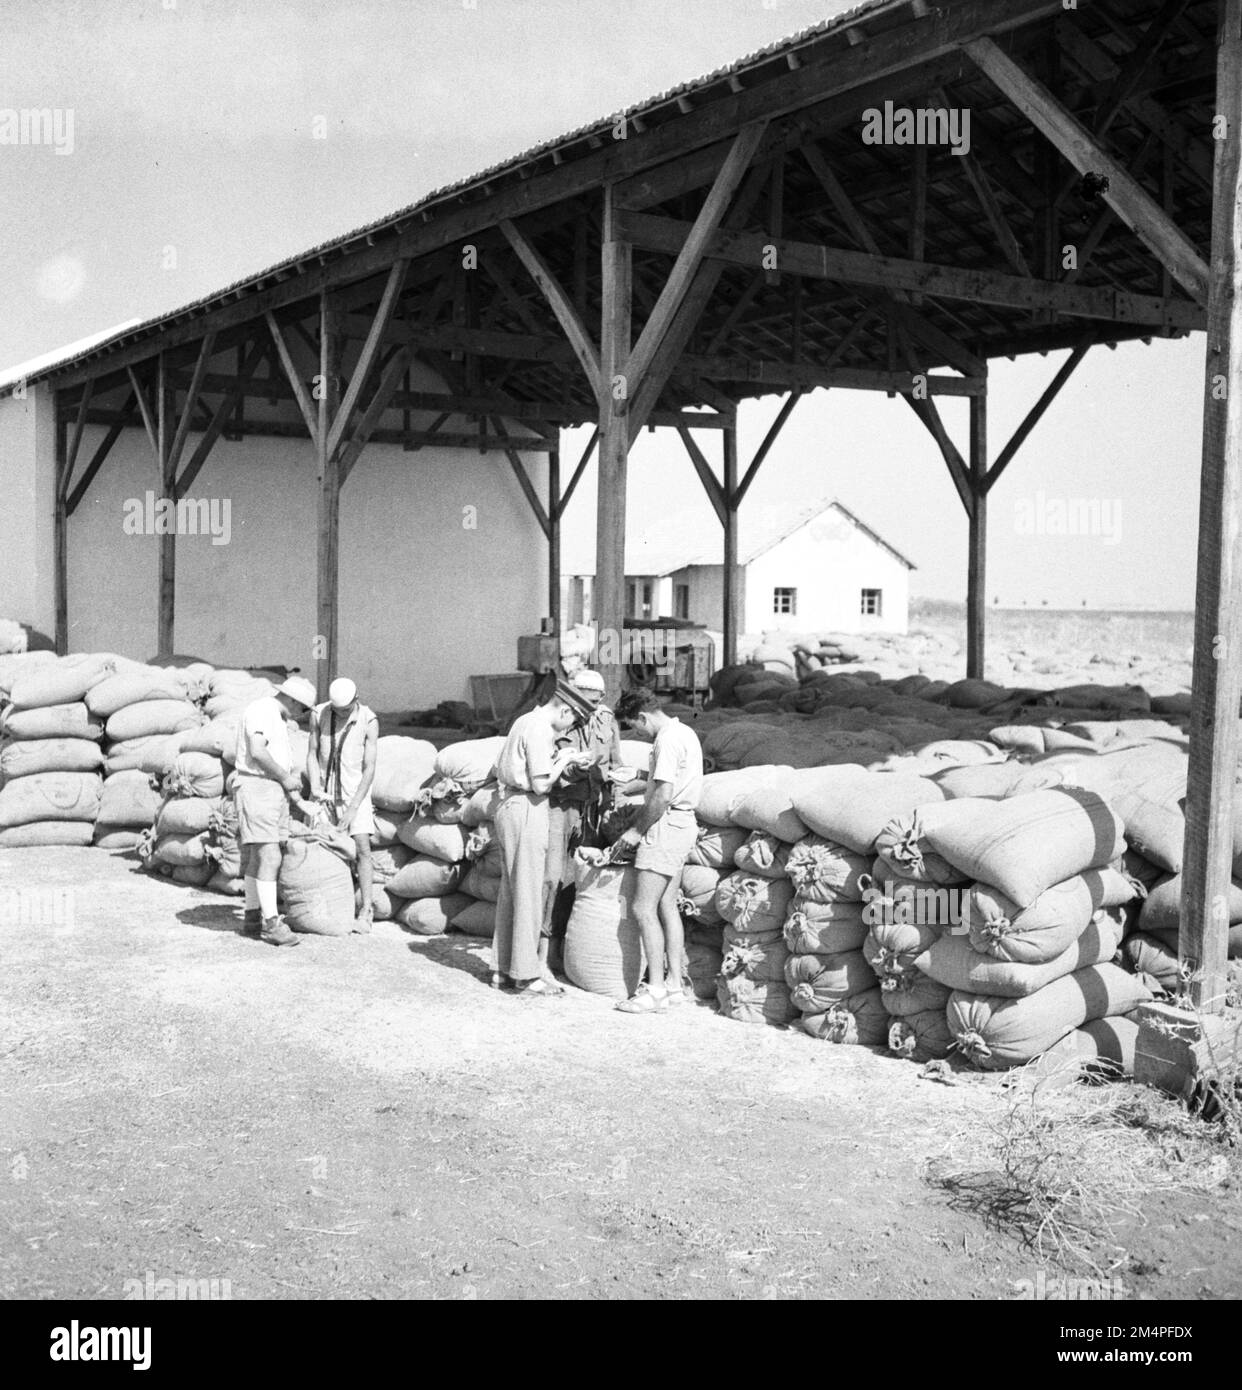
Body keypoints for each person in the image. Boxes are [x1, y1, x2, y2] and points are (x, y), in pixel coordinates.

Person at [493, 681, 595, 996]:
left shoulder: (524, 721)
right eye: (574, 720)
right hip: (527, 807)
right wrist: (565, 761)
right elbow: (540, 784)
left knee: (512, 890)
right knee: (528, 890)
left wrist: (560, 755)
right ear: (565, 709)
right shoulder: (539, 728)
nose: (572, 726)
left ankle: (503, 969)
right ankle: (524, 974)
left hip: (511, 805)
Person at [610, 686, 703, 1013]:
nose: (638, 732)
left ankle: (655, 989)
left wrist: (636, 832)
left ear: (642, 716)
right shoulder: (685, 732)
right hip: (683, 824)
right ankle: (675, 985)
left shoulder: (665, 740)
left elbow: (662, 796)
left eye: (635, 726)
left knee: (642, 908)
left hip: (664, 826)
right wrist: (637, 777)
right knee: (667, 904)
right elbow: (668, 780)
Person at [543, 668, 622, 964]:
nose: (589, 708)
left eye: (596, 700)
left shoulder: (606, 719)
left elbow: (615, 761)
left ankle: (574, 951)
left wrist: (613, 796)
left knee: (584, 878)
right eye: (584, 701)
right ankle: (547, 950)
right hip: (562, 805)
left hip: (593, 808)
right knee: (554, 878)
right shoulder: (558, 719)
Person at [235, 675, 317, 947]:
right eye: (304, 708)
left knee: (260, 856)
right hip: (258, 788)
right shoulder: (261, 711)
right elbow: (258, 752)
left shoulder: (276, 718)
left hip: (270, 790)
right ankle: (271, 924)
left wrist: (297, 799)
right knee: (269, 856)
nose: (302, 715)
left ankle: (252, 915)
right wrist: (284, 777)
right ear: (293, 700)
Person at [306, 676, 379, 933]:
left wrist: (353, 807)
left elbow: (369, 769)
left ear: (356, 701)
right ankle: (328, 905)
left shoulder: (369, 720)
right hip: (325, 792)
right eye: (336, 710)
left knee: (361, 847)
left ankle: (366, 909)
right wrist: (315, 787)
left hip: (354, 792)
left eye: (345, 710)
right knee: (322, 847)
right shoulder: (318, 714)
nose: (340, 713)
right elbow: (312, 754)